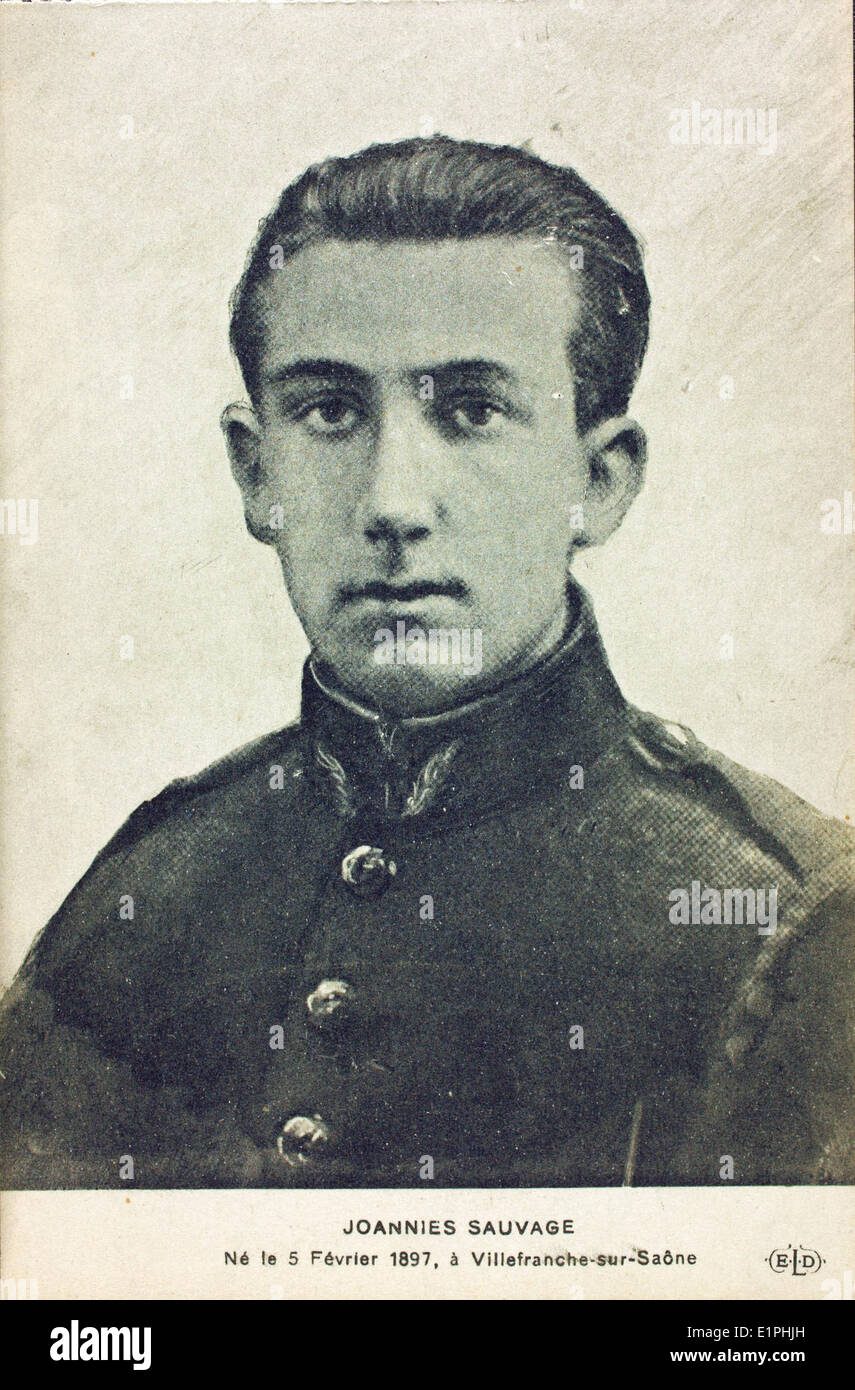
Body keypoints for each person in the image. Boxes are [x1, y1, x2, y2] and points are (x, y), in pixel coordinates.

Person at [1, 136, 852, 1188]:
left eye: (472, 411)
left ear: (602, 479)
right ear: (255, 470)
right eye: (330, 411)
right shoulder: (143, 896)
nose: (393, 502)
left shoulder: (784, 923)